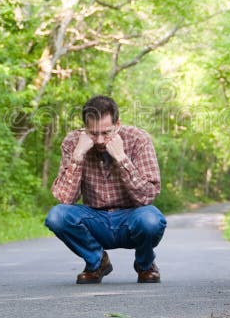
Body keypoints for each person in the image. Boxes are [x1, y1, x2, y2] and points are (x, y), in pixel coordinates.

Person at [45, 95, 166, 284]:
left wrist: (121, 158)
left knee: (151, 220)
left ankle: (145, 265)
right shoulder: (73, 142)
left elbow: (147, 196)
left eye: (106, 132)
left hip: (131, 217)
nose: (100, 140)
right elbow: (64, 198)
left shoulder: (138, 139)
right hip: (95, 219)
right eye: (93, 133)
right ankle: (97, 261)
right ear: (85, 128)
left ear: (117, 124)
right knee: (56, 216)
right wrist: (78, 156)